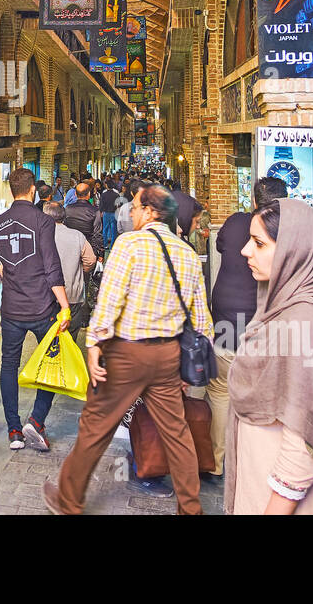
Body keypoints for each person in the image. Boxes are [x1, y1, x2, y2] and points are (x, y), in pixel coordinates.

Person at [42, 185, 212, 516]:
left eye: (135, 208)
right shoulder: (187, 254)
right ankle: (191, 508)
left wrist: (94, 343)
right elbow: (202, 320)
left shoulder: (129, 245)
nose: (130, 213)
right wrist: (186, 366)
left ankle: (69, 499)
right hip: (168, 357)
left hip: (127, 354)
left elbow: (109, 299)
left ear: (150, 213)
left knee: (96, 425)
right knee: (177, 435)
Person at [228, 198, 313, 515]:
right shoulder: (288, 311)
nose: (246, 251)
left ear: (294, 254)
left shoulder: (304, 323)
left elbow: (304, 446)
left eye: (259, 243)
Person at [0, 167, 68, 452]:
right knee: (52, 366)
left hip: (12, 311)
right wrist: (64, 305)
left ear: (10, 190)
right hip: (43, 308)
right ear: (32, 191)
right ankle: (37, 420)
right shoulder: (43, 221)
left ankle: (14, 430)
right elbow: (51, 266)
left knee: (9, 366)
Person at [207, 177, 287, 477]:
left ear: (254, 200)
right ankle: (257, 464)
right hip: (262, 324)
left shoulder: (237, 221)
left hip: (227, 317)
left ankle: (217, 462)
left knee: (220, 391)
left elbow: (218, 244)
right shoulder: (287, 230)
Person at [42, 202, 95, 345]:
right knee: (70, 339)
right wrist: (79, 271)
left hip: (47, 297)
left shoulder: (40, 236)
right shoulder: (77, 236)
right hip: (72, 295)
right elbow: (90, 260)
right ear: (63, 217)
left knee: (49, 339)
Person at [64, 179, 104, 258]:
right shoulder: (95, 211)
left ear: (75, 194)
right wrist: (100, 252)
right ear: (89, 194)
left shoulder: (68, 209)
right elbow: (97, 234)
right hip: (89, 248)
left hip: (71, 247)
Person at [99, 179, 120, 250]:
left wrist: (101, 212)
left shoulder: (104, 194)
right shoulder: (116, 195)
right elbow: (118, 205)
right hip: (114, 213)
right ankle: (112, 246)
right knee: (114, 230)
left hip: (106, 213)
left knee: (105, 229)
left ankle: (105, 245)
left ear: (107, 185)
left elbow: (101, 205)